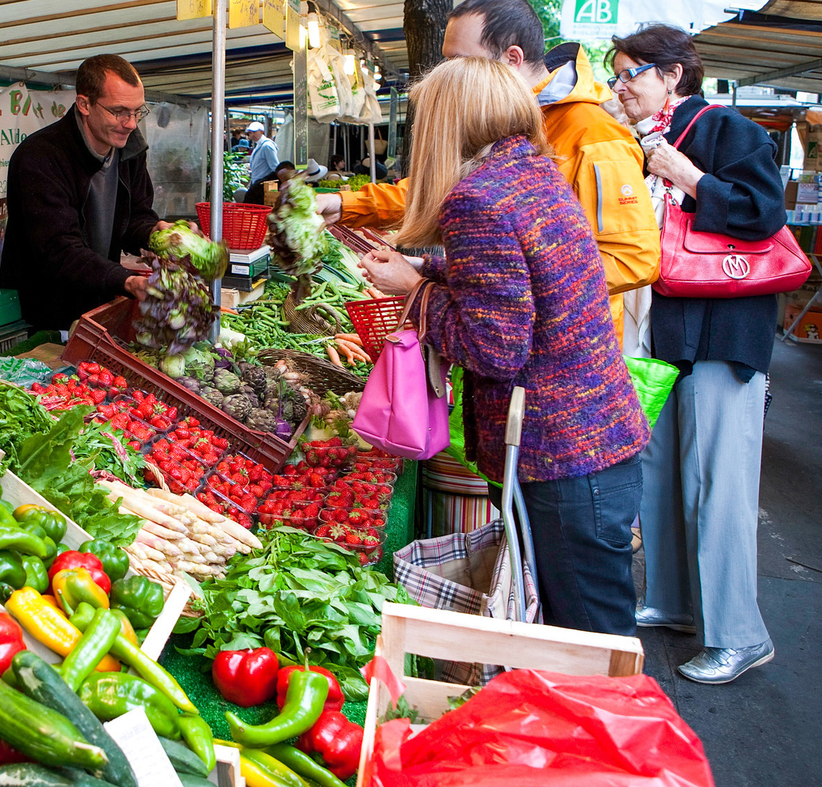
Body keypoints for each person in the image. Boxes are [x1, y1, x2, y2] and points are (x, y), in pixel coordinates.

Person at [353, 57, 650, 637]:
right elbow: (520, 273)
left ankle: (612, 728)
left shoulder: (475, 199)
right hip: (592, 439)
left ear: (446, 122)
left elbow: (493, 348)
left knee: (587, 641)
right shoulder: (533, 172)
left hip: (557, 454)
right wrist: (428, 264)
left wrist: (414, 288)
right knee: (593, 627)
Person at [317, 0, 660, 344]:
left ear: (512, 59)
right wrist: (346, 204)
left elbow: (634, 258)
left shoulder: (593, 135)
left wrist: (437, 286)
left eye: (460, 61)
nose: (446, 73)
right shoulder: (494, 125)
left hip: (564, 346)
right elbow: (440, 188)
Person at [609, 24, 783, 684]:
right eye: (619, 74)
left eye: (632, 73)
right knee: (661, 473)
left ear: (673, 75)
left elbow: (765, 213)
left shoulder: (724, 128)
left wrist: (691, 177)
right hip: (667, 332)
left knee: (718, 482)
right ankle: (674, 602)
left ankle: (740, 633)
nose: (621, 86)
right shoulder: (637, 141)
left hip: (722, 331)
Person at [0, 55, 166, 330]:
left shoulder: (131, 149)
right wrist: (127, 281)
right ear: (84, 104)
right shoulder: (40, 157)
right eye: (119, 111)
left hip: (97, 308)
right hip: (44, 317)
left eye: (138, 111)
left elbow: (135, 217)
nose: (131, 123)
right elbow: (60, 250)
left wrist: (158, 235)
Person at [246, 121, 278, 188]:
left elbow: (275, 167)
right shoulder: (259, 145)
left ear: (261, 132)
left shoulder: (267, 146)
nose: (252, 135)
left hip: (264, 185)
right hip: (258, 184)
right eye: (250, 133)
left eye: (254, 132)